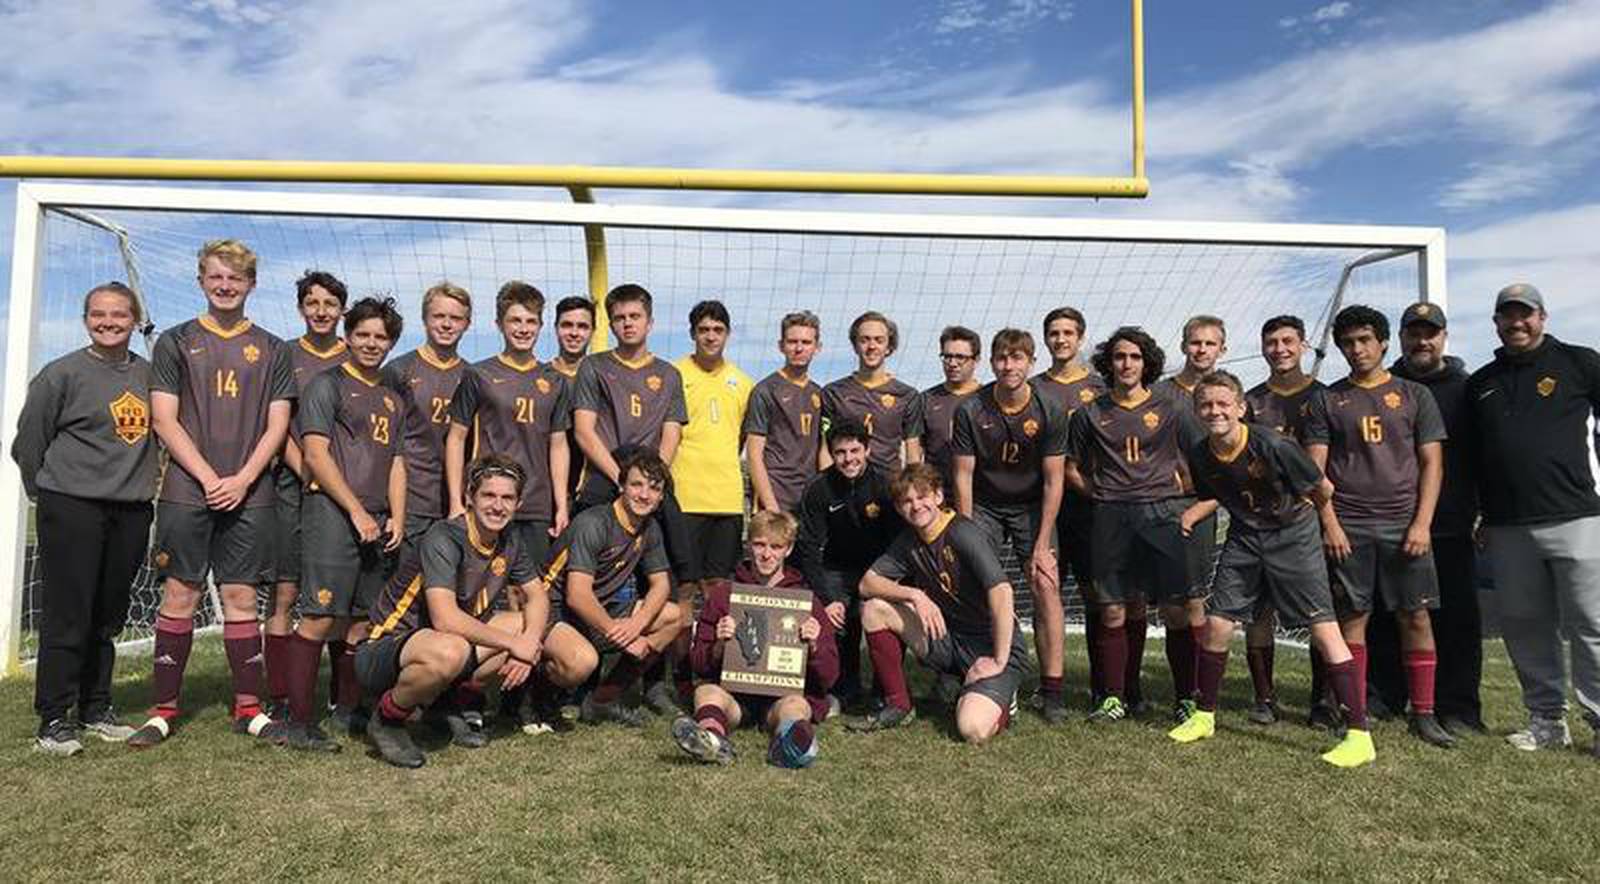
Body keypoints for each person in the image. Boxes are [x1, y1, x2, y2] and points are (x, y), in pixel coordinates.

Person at [129, 239, 295, 748]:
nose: (225, 286)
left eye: (235, 278)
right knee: (181, 594)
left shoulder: (273, 348)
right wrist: (207, 477)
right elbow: (164, 419)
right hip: (187, 489)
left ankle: (249, 708)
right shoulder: (175, 341)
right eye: (216, 277)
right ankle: (163, 711)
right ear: (201, 280)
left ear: (251, 284)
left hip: (251, 491)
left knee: (242, 597)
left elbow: (278, 426)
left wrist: (242, 479)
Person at [1167, 371, 1376, 767]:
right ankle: (1204, 716)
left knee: (1323, 627)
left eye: (1223, 403)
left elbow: (1322, 488)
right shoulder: (1200, 453)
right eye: (1206, 405)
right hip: (1245, 536)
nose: (1215, 411)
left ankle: (1359, 735)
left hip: (1293, 535)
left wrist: (1330, 527)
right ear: (1197, 410)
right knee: (1218, 623)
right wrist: (1193, 512)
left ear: (1240, 407)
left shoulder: (1273, 444)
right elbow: (1218, 495)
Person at [357, 455, 597, 768]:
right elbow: (445, 618)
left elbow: (537, 596)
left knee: (579, 655)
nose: (498, 506)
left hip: (445, 642)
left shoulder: (510, 538)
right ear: (469, 497)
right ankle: (387, 718)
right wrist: (515, 644)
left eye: (507, 498)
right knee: (451, 650)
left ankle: (447, 704)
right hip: (386, 645)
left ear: (519, 503)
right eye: (489, 495)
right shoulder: (444, 536)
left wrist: (529, 643)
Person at [13, 282, 158, 755]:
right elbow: (28, 442)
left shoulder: (150, 375)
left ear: (134, 320)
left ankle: (96, 707)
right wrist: (47, 492)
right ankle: (54, 718)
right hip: (72, 504)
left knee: (108, 613)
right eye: (98, 314)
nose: (108, 322)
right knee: (68, 613)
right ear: (85, 319)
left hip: (131, 509)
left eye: (119, 314)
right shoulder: (61, 374)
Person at [1304, 304, 1454, 748]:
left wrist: (1422, 523)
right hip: (1349, 525)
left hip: (1403, 524)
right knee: (1353, 618)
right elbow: (1316, 472)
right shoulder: (1327, 399)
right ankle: (1354, 712)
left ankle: (1423, 713)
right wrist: (1330, 524)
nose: (1357, 349)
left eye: (1365, 340)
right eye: (1348, 342)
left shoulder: (1414, 395)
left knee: (1415, 615)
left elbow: (1432, 463)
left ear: (1384, 343)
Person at [1467, 283, 1600, 757]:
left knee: (1592, 625)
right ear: (1496, 323)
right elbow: (1476, 457)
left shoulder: (1581, 363)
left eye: (1525, 313)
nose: (1516, 322)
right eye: (1507, 315)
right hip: (1508, 526)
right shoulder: (1481, 382)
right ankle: (1546, 721)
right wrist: (1480, 513)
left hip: (1578, 516)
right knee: (1525, 626)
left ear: (1542, 316)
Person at [1064, 326, 1210, 724]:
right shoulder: (1090, 413)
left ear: (1147, 364)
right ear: (1108, 363)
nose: (1126, 364)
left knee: (1176, 610)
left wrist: (1181, 492)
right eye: (1119, 357)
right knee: (1113, 610)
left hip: (1162, 517)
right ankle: (1114, 698)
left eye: (1134, 357)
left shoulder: (1172, 408)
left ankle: (1187, 698)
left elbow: (1204, 458)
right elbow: (1071, 468)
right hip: (1111, 519)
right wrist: (1100, 493)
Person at [281, 297, 408, 752]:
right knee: (319, 617)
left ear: (391, 343)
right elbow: (315, 455)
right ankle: (298, 722)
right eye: (363, 334)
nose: (371, 343)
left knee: (359, 622)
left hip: (377, 519)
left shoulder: (394, 396)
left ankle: (347, 710)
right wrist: (355, 510)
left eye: (381, 337)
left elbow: (396, 462)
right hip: (334, 514)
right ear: (348, 336)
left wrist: (397, 515)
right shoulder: (327, 385)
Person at [570, 283, 694, 715]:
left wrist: (651, 482)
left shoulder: (669, 374)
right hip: (606, 479)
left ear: (649, 322)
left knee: (664, 584)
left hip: (651, 487)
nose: (627, 324)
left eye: (634, 316)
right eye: (619, 318)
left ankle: (650, 684)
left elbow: (672, 433)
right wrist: (623, 479)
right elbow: (584, 430)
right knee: (595, 582)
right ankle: (580, 682)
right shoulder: (595, 367)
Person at [849, 464, 1031, 743]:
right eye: (907, 501)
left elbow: (1003, 592)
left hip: (990, 644)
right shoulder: (908, 540)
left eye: (922, 497)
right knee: (874, 609)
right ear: (898, 508)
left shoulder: (963, 532)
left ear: (938, 496)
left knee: (972, 729)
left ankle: (1004, 697)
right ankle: (899, 705)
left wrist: (998, 660)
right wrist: (915, 595)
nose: (916, 506)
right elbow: (866, 584)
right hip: (949, 638)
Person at [951, 329, 1068, 722]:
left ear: (1031, 362)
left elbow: (1054, 480)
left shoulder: (1049, 408)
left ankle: (1052, 691)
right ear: (992, 362)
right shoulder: (971, 409)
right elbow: (963, 476)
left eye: (1017, 358)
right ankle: (985, 674)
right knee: (976, 583)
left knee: (1046, 582)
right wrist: (967, 533)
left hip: (1031, 506)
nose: (1009, 366)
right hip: (985, 505)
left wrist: (1042, 544)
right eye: (1002, 358)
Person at [1383, 302, 1483, 735]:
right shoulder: (1384, 386)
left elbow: (1485, 453)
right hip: (1390, 523)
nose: (1422, 341)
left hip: (1451, 522)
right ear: (1401, 338)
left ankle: (1457, 707)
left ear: (1444, 336)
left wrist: (1483, 511)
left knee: (1456, 619)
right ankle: (1387, 697)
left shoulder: (1468, 389)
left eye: (1431, 333)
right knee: (1389, 616)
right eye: (1414, 333)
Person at [673, 510, 838, 767]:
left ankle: (789, 746)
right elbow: (699, 664)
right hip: (735, 694)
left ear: (788, 549)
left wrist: (815, 646)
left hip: (782, 697)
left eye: (776, 547)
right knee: (706, 692)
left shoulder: (806, 602)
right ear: (748, 545)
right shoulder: (724, 595)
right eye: (760, 545)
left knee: (796, 705)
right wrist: (719, 644)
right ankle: (711, 739)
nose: (766, 554)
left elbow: (829, 677)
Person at [542, 450, 686, 726]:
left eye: (654, 488)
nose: (644, 495)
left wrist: (637, 624)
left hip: (600, 610)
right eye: (636, 485)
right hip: (554, 611)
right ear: (621, 486)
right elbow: (577, 596)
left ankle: (603, 700)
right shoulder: (594, 523)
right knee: (582, 661)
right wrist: (619, 634)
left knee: (673, 616)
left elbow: (661, 584)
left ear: (661, 497)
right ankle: (535, 693)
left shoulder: (650, 528)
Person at [263, 271, 349, 722]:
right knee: (286, 590)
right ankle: (279, 694)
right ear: (300, 308)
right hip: (294, 487)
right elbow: (278, 426)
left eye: (330, 304)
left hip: (345, 492)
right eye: (312, 303)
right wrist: (310, 473)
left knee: (340, 594)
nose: (321, 311)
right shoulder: (284, 355)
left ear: (342, 311)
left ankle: (341, 693)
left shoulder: (356, 356)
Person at [1242, 315, 1329, 726]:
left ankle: (1323, 701)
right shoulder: (1250, 401)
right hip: (1261, 519)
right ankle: (1264, 699)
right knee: (1259, 612)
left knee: (1319, 614)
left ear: (1303, 345)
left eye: (1288, 341)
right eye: (1272, 342)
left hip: (1309, 517)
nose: (1280, 349)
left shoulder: (1325, 397)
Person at [671, 299, 755, 701]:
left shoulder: (743, 382)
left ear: (727, 334)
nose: (710, 336)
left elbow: (741, 440)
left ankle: (716, 669)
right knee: (683, 591)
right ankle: (680, 677)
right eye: (703, 330)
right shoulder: (674, 374)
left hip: (726, 500)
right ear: (693, 334)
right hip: (684, 497)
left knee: (720, 590)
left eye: (717, 330)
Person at [792, 419, 903, 711]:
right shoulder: (818, 488)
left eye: (855, 451)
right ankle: (843, 689)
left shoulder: (885, 486)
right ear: (831, 454)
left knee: (883, 618)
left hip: (878, 568)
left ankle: (884, 690)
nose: (848, 459)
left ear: (867, 450)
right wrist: (826, 600)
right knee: (838, 620)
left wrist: (885, 581)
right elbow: (809, 548)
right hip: (836, 568)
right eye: (840, 452)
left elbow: (899, 542)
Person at [1150, 315, 1226, 718]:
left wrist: (1206, 501)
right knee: (1170, 607)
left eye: (1210, 344)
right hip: (1155, 507)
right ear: (1183, 347)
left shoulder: (1227, 395)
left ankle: (1197, 696)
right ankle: (1182, 692)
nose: (1202, 350)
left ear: (1222, 349)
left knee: (1195, 602)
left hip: (1201, 506)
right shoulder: (1160, 393)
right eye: (1195, 342)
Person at [1032, 306, 1105, 706]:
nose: (1060, 339)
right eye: (1054, 333)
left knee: (1098, 595)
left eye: (1067, 333)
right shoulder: (1033, 388)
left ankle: (1104, 685)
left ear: (1080, 337)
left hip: (1092, 507)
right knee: (1046, 592)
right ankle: (1049, 686)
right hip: (1045, 508)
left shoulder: (1101, 387)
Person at [382, 281, 471, 546]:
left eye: (456, 318)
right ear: (424, 319)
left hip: (456, 504)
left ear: (467, 324)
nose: (447, 324)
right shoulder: (398, 371)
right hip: (408, 502)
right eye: (438, 316)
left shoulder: (474, 377)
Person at [821, 311, 924, 474]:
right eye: (864, 340)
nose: (871, 346)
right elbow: (825, 450)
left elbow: (913, 456)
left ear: (889, 347)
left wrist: (913, 485)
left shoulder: (907, 396)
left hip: (890, 485)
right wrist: (826, 486)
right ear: (855, 346)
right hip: (845, 484)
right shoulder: (833, 393)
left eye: (879, 340)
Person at [745, 310, 825, 514]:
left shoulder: (820, 394)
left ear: (817, 347)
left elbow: (823, 450)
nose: (799, 348)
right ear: (781, 346)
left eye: (806, 342)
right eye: (792, 342)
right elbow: (754, 454)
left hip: (809, 498)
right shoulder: (765, 390)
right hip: (775, 496)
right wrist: (770, 506)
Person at [920, 326, 982, 487]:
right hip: (937, 492)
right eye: (947, 357)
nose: (953, 363)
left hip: (980, 493)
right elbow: (916, 451)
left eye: (960, 357)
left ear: (976, 360)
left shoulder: (988, 399)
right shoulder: (925, 400)